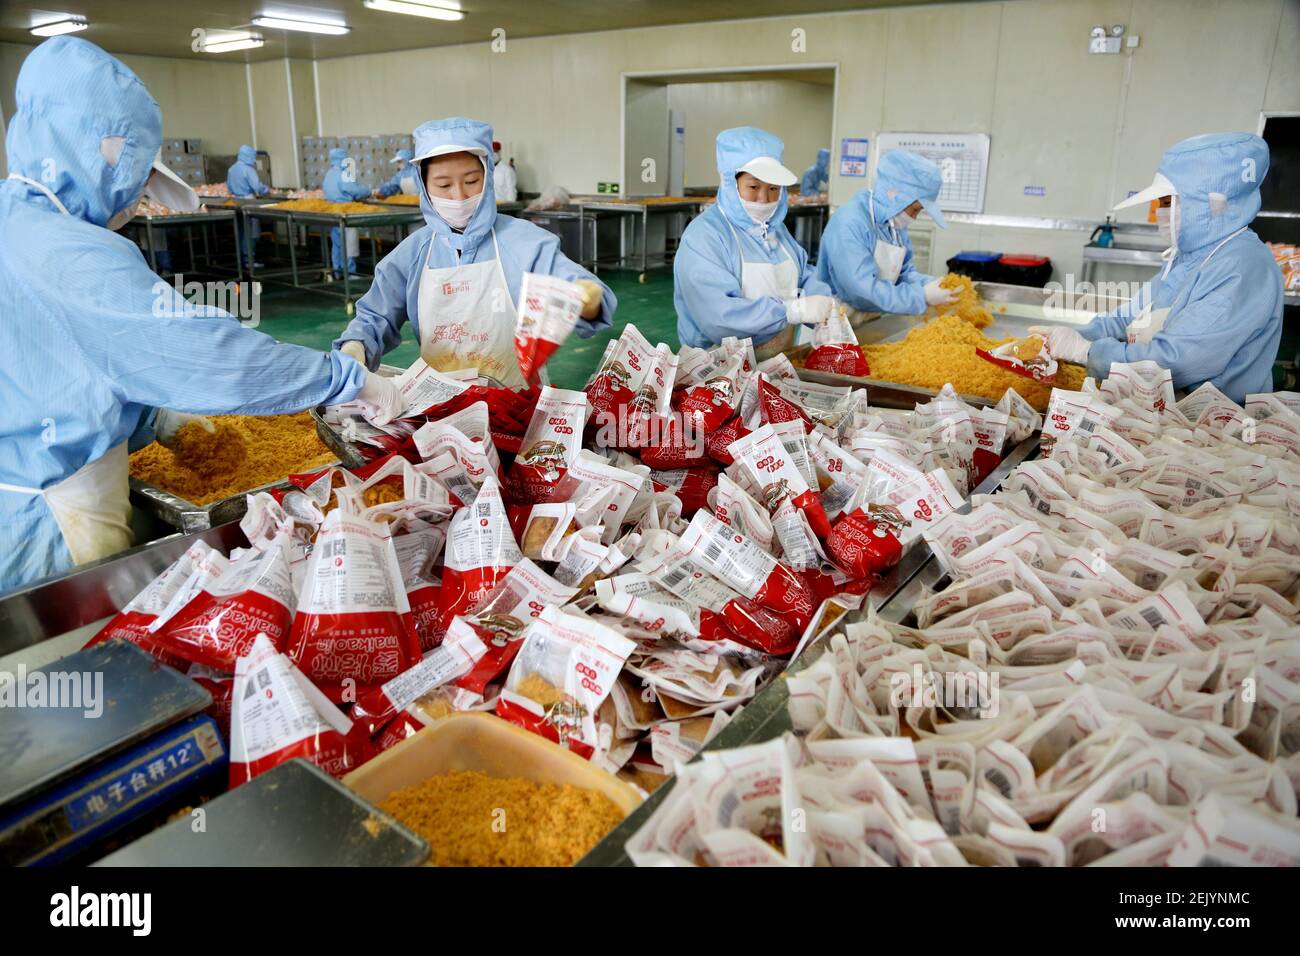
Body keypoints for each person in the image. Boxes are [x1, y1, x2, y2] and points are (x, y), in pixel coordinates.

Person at [0, 37, 403, 593]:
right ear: (105, 156)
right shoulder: (73, 256)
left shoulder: (13, 221)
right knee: (64, 657)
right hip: (47, 521)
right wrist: (342, 379)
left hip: (19, 490)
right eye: (139, 182)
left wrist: (150, 420)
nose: (139, 202)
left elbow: (54, 367)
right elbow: (207, 357)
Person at [334, 117, 615, 389]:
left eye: (471, 181)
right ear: (424, 186)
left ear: (488, 177)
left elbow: (572, 283)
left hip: (519, 404)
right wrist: (355, 347)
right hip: (440, 407)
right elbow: (375, 317)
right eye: (443, 185)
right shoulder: (413, 254)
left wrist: (584, 295)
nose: (458, 196)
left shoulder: (524, 242)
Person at [1034, 133, 1282, 404]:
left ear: (1210, 204)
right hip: (1164, 415)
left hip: (1213, 427)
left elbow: (1177, 361)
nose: (1159, 214)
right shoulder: (1189, 258)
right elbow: (1127, 318)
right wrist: (1067, 337)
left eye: (1167, 203)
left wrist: (1087, 352)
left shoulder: (1243, 266)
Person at [673, 126, 835, 357]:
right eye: (753, 186)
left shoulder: (774, 229)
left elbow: (803, 273)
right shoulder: (704, 237)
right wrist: (790, 311)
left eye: (773, 188)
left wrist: (820, 302)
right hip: (718, 370)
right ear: (731, 182)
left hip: (778, 361)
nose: (764, 199)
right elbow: (718, 317)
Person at [815, 150, 955, 316]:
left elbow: (905, 274)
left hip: (873, 316)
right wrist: (921, 296)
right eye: (915, 209)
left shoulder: (894, 226)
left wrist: (932, 284)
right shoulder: (850, 222)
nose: (915, 217)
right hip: (836, 320)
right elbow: (860, 289)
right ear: (897, 197)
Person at [323, 146, 373, 277]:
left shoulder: (329, 173)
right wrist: (369, 191)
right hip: (346, 212)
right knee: (349, 244)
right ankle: (350, 272)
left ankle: (337, 271)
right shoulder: (344, 174)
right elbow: (354, 191)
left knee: (337, 244)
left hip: (332, 212)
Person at [226, 143, 270, 268]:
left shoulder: (232, 169)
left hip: (236, 202)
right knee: (252, 232)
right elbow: (257, 186)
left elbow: (228, 187)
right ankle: (249, 259)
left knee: (241, 231)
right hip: (248, 202)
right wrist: (266, 191)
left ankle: (242, 259)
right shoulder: (248, 169)